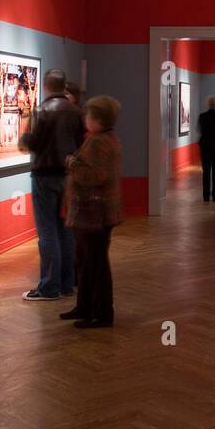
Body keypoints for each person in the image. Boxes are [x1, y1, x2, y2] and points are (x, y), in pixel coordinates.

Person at [18, 68, 81, 301]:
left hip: (44, 176)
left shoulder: (41, 111)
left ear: (46, 86)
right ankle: (66, 284)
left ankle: (48, 286)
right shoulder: (76, 112)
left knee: (47, 231)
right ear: (64, 87)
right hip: (69, 177)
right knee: (65, 229)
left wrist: (25, 126)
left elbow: (28, 144)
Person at [62, 95, 123, 328]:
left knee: (94, 262)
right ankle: (85, 306)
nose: (85, 119)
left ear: (97, 119)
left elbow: (96, 176)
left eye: (88, 115)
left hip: (95, 212)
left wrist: (72, 164)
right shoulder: (105, 139)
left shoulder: (99, 142)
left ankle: (101, 313)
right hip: (96, 212)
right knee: (87, 261)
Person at [197, 96, 215, 202]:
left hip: (205, 146)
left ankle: (206, 196)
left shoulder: (202, 116)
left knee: (206, 171)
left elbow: (200, 129)